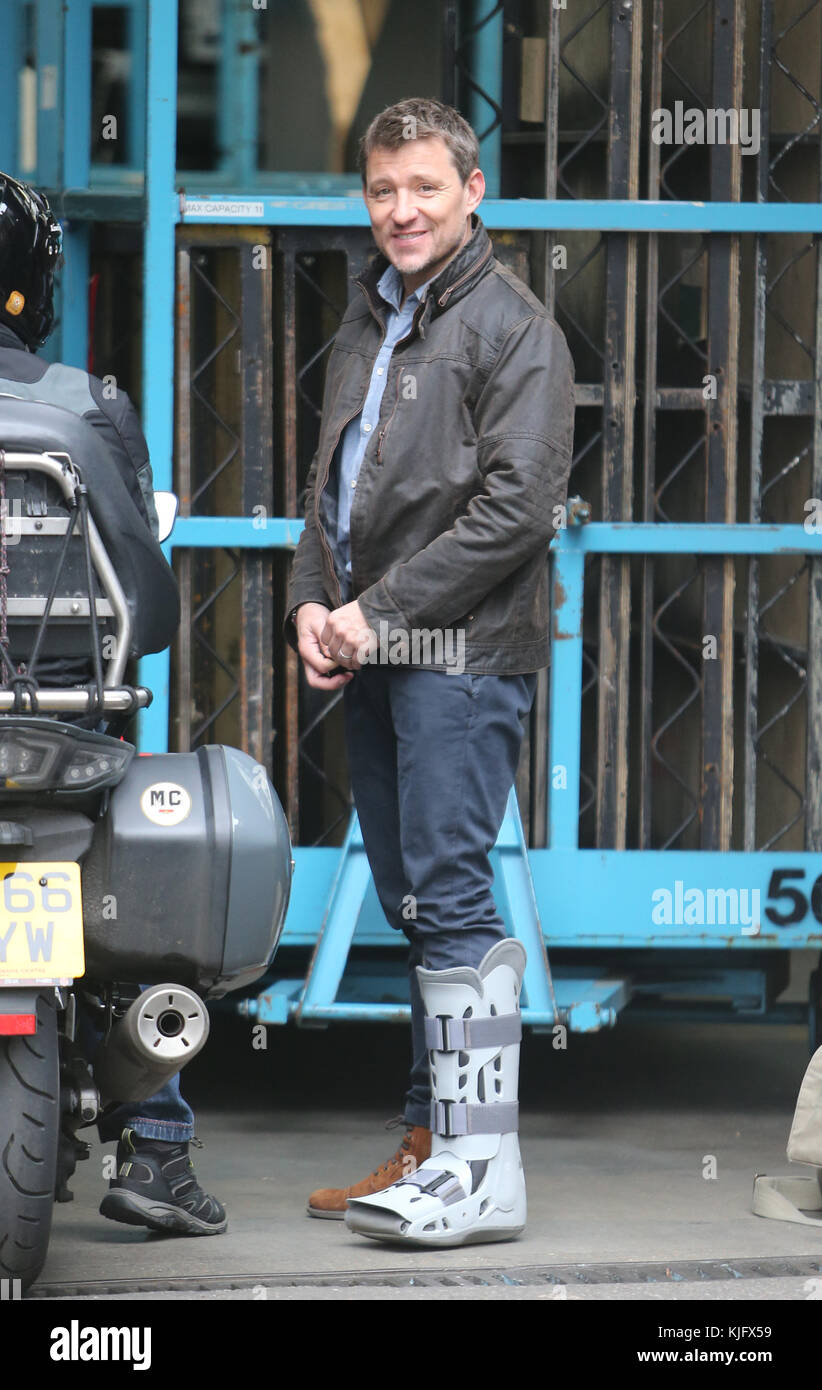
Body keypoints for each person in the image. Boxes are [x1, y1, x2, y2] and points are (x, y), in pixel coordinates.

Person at [285, 99, 575, 1247]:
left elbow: (519, 511)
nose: (401, 210)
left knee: (449, 893)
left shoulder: (515, 328)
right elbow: (333, 486)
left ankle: (482, 1167)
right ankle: (429, 1144)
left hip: (457, 652)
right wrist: (314, 598)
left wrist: (373, 611)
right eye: (382, 190)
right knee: (417, 899)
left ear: (473, 190)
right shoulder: (369, 319)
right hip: (378, 647)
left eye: (424, 188)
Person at [0, 171, 225, 1236]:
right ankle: (159, 1149)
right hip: (62, 730)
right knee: (141, 843)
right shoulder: (87, 405)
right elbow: (151, 596)